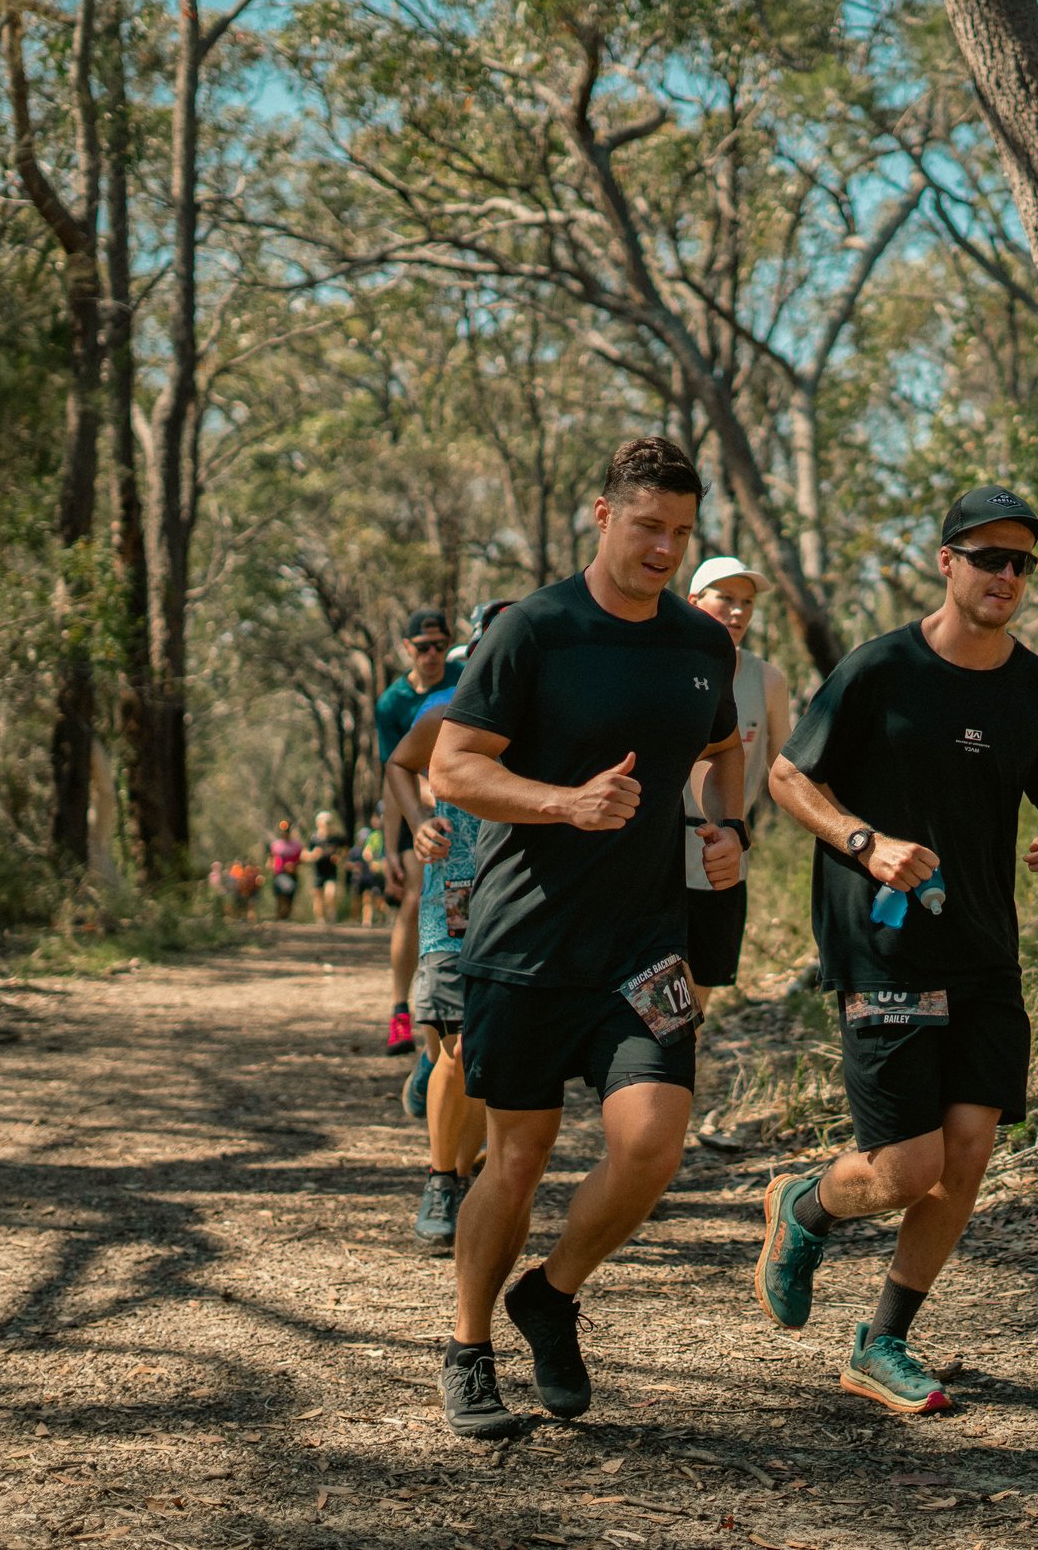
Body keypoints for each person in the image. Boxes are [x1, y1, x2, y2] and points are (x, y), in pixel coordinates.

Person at [753, 485, 1038, 1417]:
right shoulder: (880, 669)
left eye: (1022, 562)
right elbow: (788, 776)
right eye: (989, 558)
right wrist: (865, 842)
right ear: (947, 562)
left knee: (969, 1153)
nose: (1007, 576)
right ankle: (806, 1206)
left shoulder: (1037, 690)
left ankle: (883, 1342)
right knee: (908, 1168)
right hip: (883, 944)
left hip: (984, 947)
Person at [428, 437, 747, 1438]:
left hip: (644, 948)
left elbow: (722, 751)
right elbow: (452, 768)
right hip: (524, 946)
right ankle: (468, 1348)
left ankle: (551, 1292)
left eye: (681, 533)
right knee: (517, 1158)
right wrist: (563, 803)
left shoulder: (702, 645)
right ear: (603, 516)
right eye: (648, 526)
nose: (665, 550)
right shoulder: (535, 630)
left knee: (652, 1145)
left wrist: (725, 829)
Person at [386, 622, 497, 1251]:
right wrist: (417, 823)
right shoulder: (444, 717)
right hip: (452, 901)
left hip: (519, 905)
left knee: (485, 1053)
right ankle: (441, 1180)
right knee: (459, 1047)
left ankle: (468, 1170)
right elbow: (400, 764)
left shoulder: (555, 721)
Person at [679, 556, 793, 1008]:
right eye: (725, 598)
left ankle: (689, 1058)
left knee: (697, 1000)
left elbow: (787, 771)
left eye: (747, 602)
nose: (738, 611)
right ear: (694, 601)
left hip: (723, 857)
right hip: (656, 857)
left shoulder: (767, 679)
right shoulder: (663, 665)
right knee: (650, 996)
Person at [378, 609, 456, 1053]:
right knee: (413, 899)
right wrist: (390, 849)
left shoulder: (464, 678)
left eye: (440, 645)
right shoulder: (392, 703)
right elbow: (394, 773)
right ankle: (400, 1011)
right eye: (423, 647)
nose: (432, 654)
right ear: (407, 648)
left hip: (464, 813)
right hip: (417, 813)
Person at [312, 809, 351, 925]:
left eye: (329, 822)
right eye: (325, 822)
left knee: (330, 893)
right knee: (318, 896)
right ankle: (320, 919)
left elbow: (345, 850)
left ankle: (332, 914)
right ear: (319, 823)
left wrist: (339, 857)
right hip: (318, 871)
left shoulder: (336, 838)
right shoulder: (314, 838)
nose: (327, 825)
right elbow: (305, 854)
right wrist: (314, 854)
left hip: (331, 871)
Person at [357, 810, 389, 928]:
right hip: (372, 872)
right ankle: (366, 921)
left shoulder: (392, 835)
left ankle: (385, 917)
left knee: (381, 899)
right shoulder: (374, 836)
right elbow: (366, 853)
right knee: (368, 896)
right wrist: (372, 861)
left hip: (386, 873)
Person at [268, 820, 305, 922]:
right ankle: (279, 914)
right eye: (283, 832)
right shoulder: (275, 845)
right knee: (280, 896)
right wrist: (272, 866)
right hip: (279, 874)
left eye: (286, 832)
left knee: (289, 896)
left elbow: (301, 859)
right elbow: (270, 859)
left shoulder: (296, 845)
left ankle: (287, 916)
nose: (284, 834)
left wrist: (293, 865)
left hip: (291, 875)